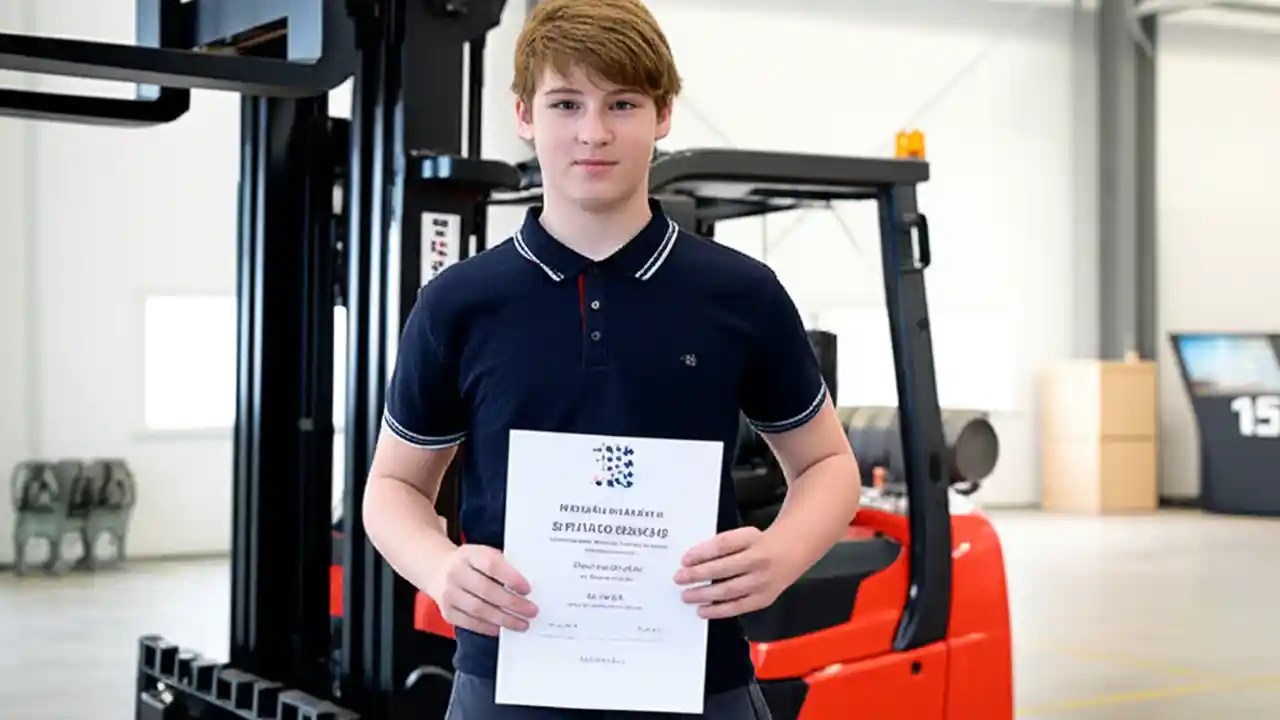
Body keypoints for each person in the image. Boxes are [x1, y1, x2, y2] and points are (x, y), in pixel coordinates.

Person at [362, 0, 862, 717]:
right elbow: (394, 488)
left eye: (621, 103)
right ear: (524, 115)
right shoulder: (458, 303)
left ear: (663, 114)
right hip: (508, 680)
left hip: (700, 680)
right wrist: (438, 567)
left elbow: (828, 465)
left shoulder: (740, 294)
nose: (592, 132)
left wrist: (782, 554)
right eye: (566, 103)